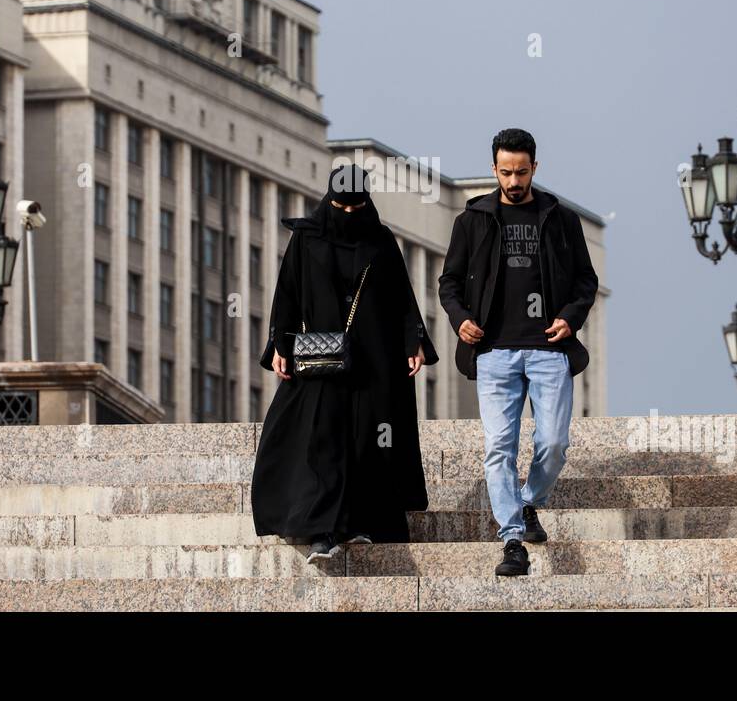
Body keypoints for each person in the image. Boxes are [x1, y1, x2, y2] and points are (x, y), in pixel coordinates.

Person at [252, 164, 439, 562]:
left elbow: (402, 296)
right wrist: (280, 345)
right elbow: (287, 294)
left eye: (356, 208)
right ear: (329, 200)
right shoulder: (306, 239)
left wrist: (414, 341)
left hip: (374, 359)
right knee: (321, 441)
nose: (348, 215)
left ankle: (361, 525)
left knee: (367, 442)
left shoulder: (381, 240)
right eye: (341, 207)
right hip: (320, 358)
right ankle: (321, 531)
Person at [438, 128, 599, 577]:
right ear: (494, 169)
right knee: (499, 448)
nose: (513, 180)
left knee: (554, 442)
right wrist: (459, 318)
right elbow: (448, 283)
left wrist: (571, 315)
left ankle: (528, 502)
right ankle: (512, 539)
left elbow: (586, 281)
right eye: (506, 172)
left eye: (521, 172)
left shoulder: (560, 219)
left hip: (549, 349)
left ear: (535, 167)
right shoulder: (471, 220)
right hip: (493, 352)